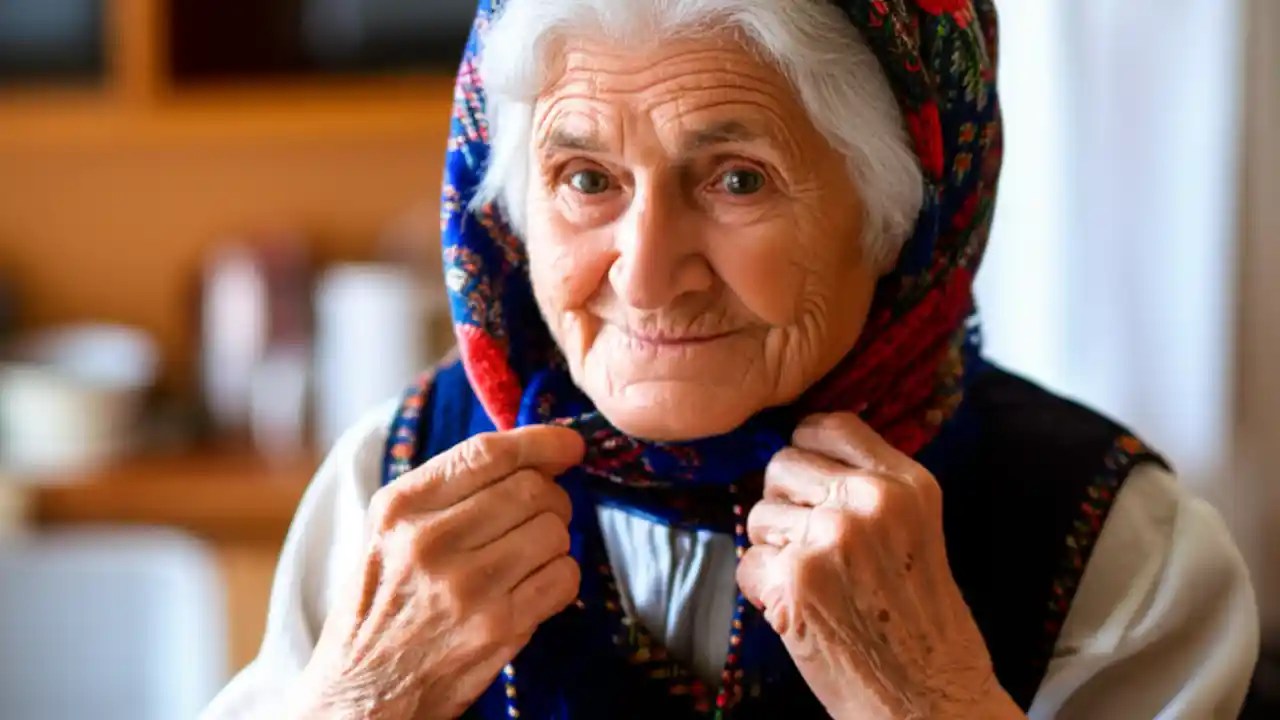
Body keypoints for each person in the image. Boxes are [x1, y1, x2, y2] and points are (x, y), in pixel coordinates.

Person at [201, 1, 1259, 717]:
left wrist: (929, 699)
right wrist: (360, 696)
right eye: (584, 178)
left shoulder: (1120, 549)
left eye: (736, 179)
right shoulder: (388, 488)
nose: (648, 274)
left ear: (901, 215)